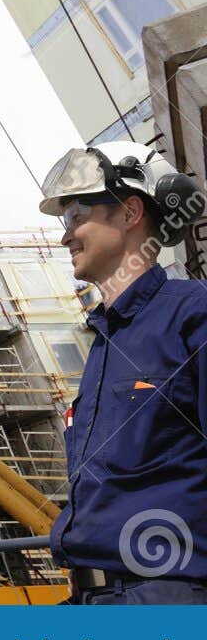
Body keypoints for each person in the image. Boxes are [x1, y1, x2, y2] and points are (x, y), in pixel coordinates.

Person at [39, 140, 207, 605]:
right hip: (95, 598)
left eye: (77, 216)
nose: (65, 236)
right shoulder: (106, 342)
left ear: (130, 213)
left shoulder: (192, 315)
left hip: (166, 600)